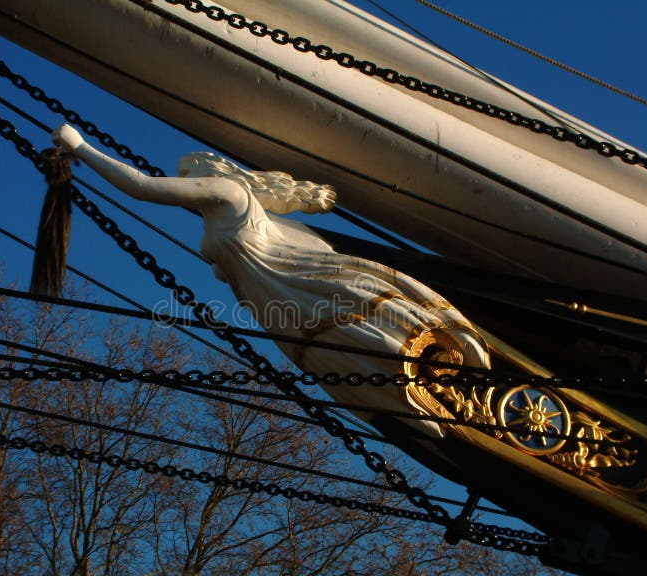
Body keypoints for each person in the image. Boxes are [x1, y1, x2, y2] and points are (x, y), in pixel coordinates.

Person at [52, 124, 489, 437]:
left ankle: (431, 382)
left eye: (189, 175)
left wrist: (82, 148)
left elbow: (144, 188)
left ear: (211, 174)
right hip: (277, 307)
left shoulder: (231, 194)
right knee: (339, 359)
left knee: (360, 336)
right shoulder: (225, 218)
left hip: (292, 286)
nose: (185, 184)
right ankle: (417, 403)